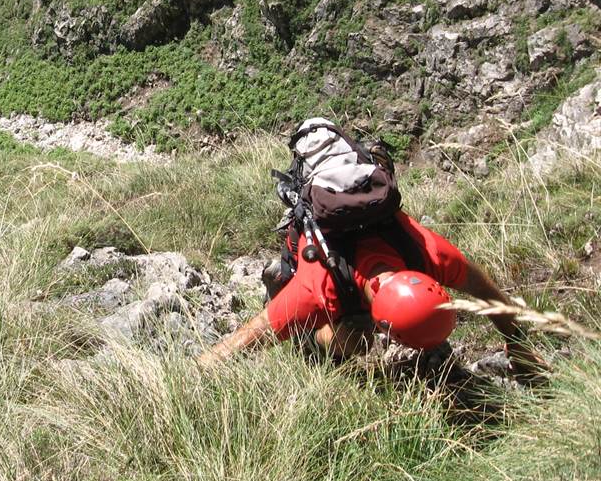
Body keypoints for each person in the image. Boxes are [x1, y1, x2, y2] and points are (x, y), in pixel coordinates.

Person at [197, 124, 549, 382]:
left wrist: (518, 345)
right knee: (356, 338)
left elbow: (487, 292)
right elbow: (241, 340)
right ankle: (307, 332)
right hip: (327, 279)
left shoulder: (427, 253)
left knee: (356, 330)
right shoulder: (320, 288)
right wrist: (180, 381)